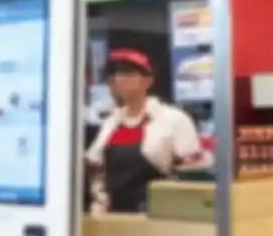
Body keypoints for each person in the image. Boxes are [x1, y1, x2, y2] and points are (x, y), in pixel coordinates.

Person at [86, 49, 205, 214]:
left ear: (148, 80)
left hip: (159, 216)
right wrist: (100, 201)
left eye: (127, 72)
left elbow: (193, 174)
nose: (117, 79)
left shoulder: (173, 120)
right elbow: (98, 173)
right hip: (115, 217)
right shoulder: (110, 124)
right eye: (113, 73)